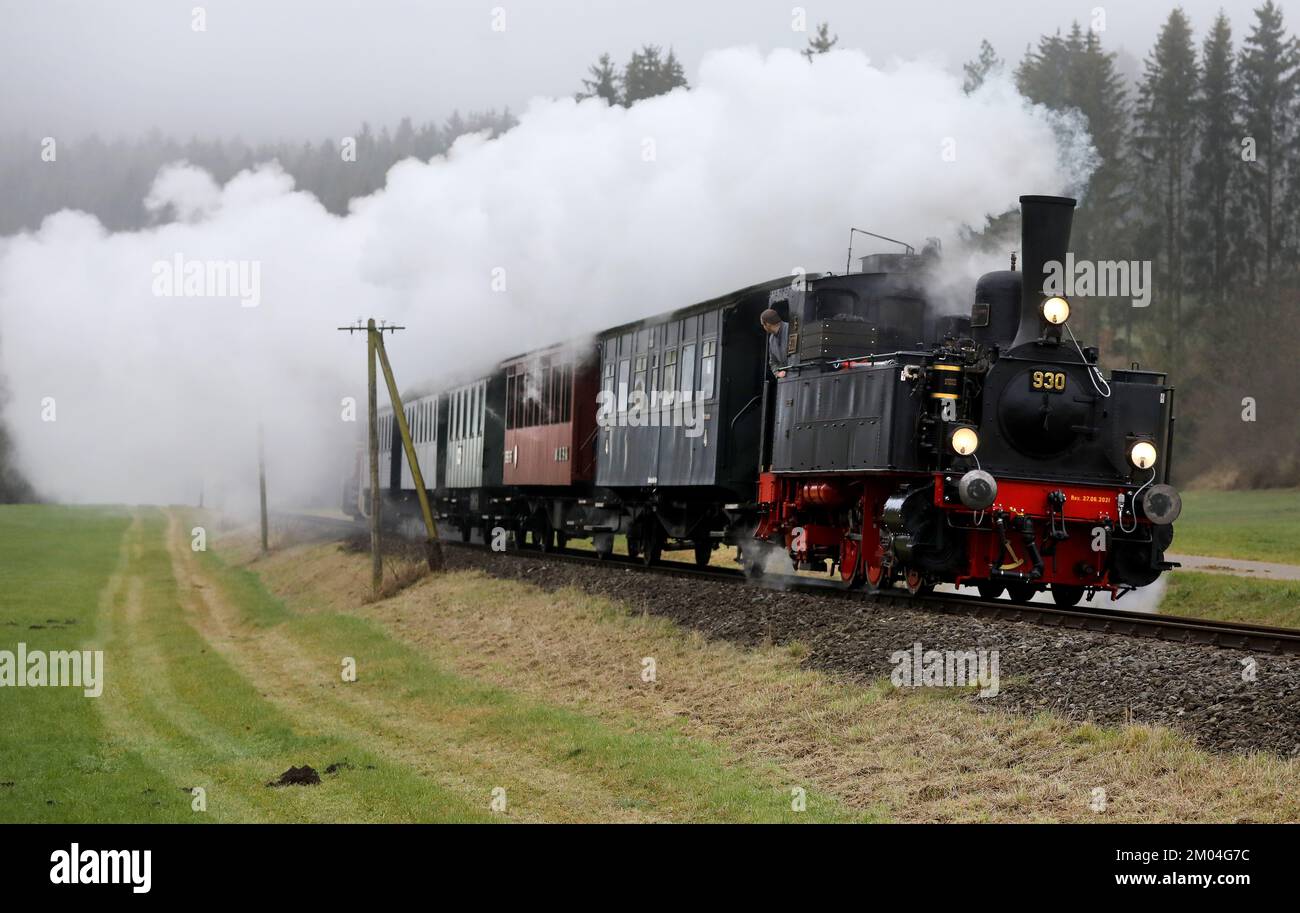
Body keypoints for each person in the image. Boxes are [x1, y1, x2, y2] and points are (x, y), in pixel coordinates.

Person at [760, 308, 789, 374]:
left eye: (763, 325)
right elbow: (772, 362)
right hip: (786, 379)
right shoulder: (771, 339)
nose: (763, 327)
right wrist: (777, 373)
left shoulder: (791, 329)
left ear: (767, 324)